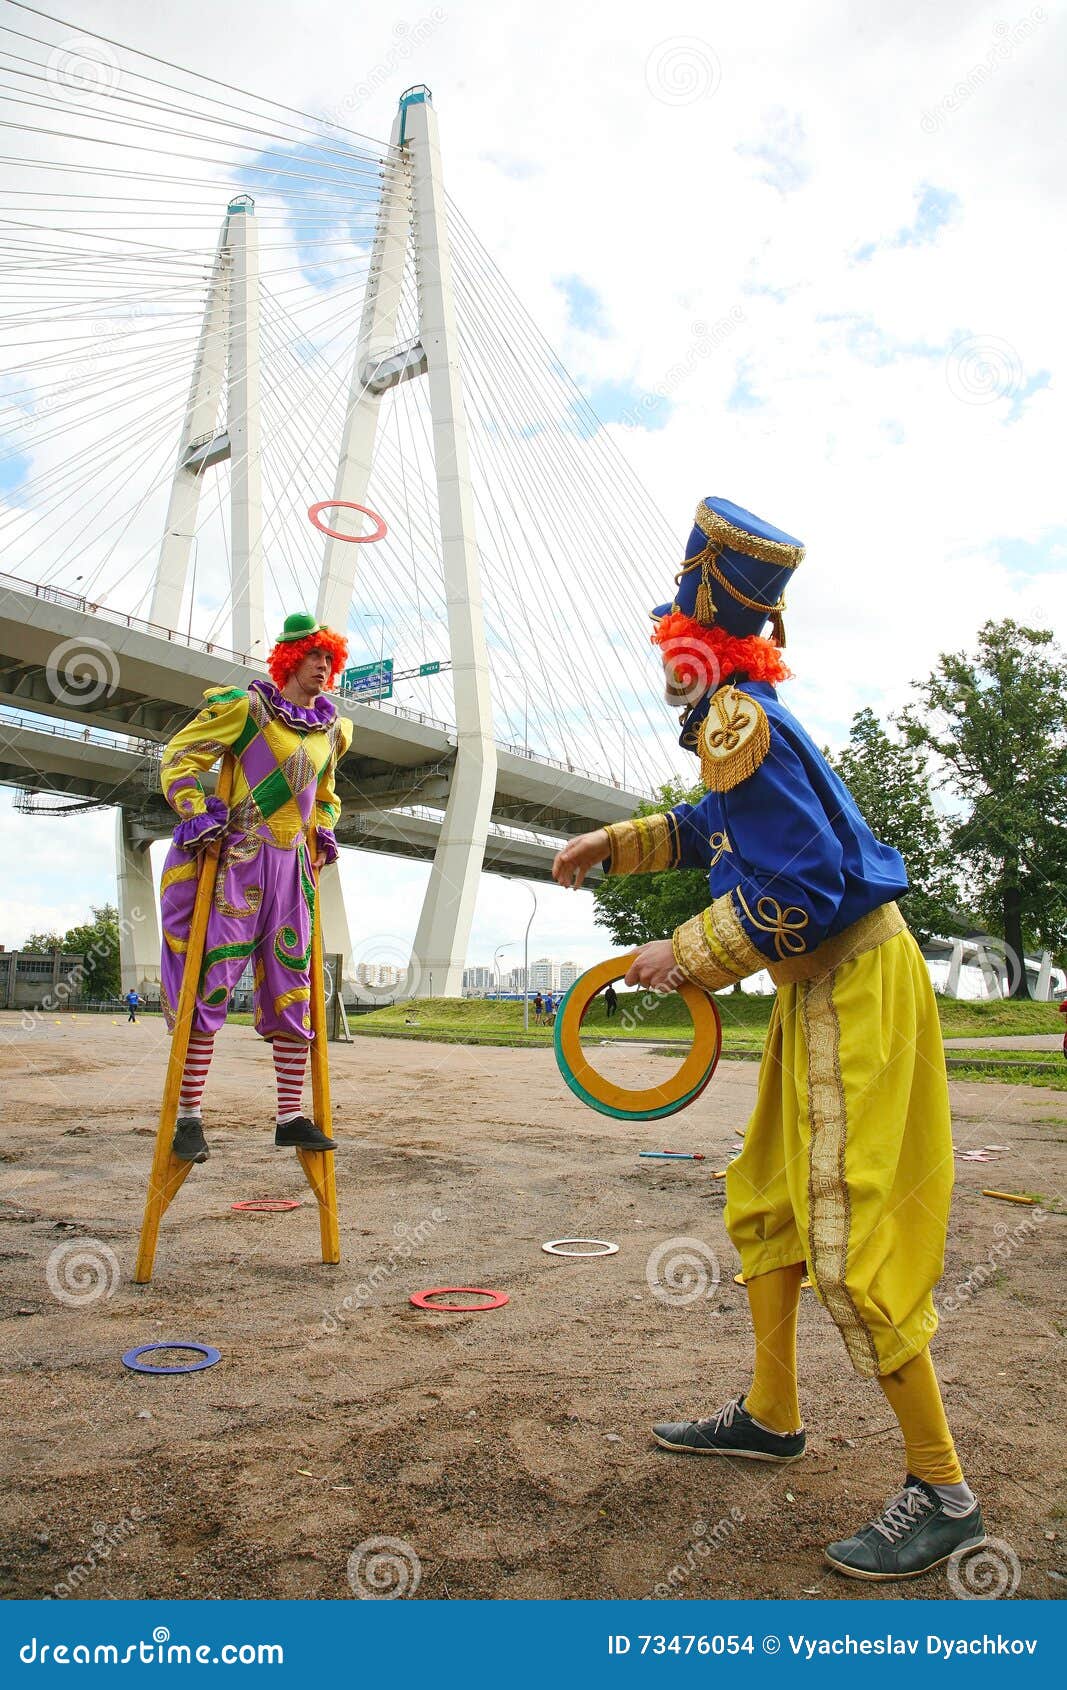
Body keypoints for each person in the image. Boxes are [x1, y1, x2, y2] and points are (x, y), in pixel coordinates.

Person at [552, 496, 985, 1582]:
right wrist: (614, 841)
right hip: (816, 987)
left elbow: (804, 887)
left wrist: (683, 952)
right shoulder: (739, 722)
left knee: (849, 1226)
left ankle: (943, 1490)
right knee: (766, 1198)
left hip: (854, 981)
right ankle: (770, 1413)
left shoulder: (738, 721)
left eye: (668, 633)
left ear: (692, 638)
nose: (662, 651)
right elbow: (713, 827)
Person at [158, 611, 353, 1164]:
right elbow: (179, 756)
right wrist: (197, 808)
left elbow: (327, 796)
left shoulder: (332, 730)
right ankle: (189, 1117)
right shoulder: (246, 710)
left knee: (294, 988)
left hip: (294, 870)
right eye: (314, 656)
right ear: (290, 659)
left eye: (329, 659)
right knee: (211, 981)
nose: (323, 666)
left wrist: (324, 830)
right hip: (241, 861)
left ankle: (290, 1117)